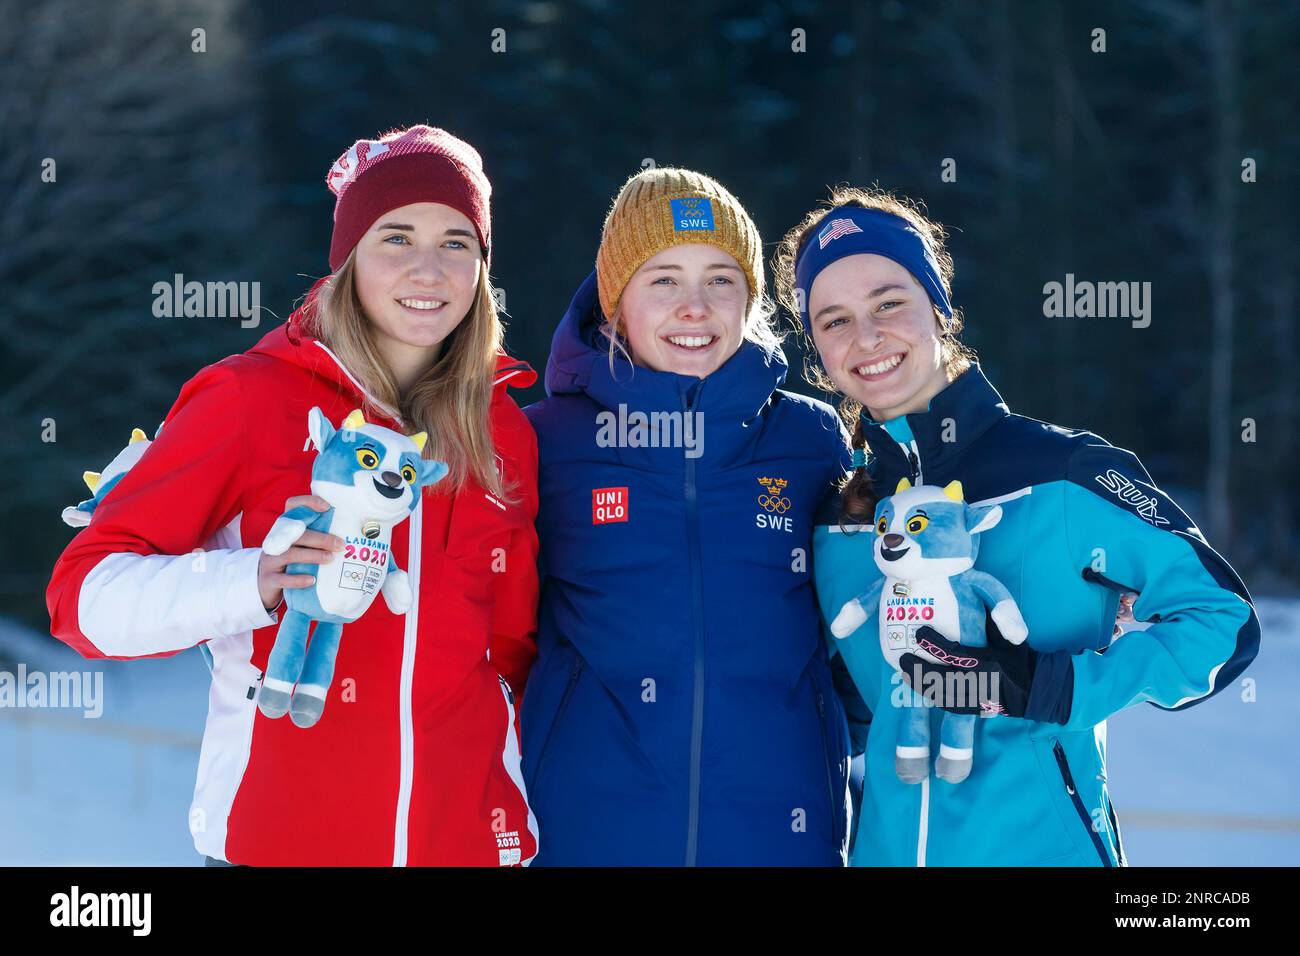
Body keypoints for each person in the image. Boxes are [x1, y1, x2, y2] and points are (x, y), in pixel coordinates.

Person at [46, 125, 541, 866]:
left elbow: (515, 657)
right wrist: (250, 581)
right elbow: (83, 601)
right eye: (396, 237)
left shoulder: (503, 429)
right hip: (279, 844)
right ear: (347, 260)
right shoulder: (250, 397)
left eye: (457, 242)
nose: (429, 269)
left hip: (468, 845)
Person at [775, 186, 1261, 866]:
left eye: (890, 302)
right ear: (816, 348)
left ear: (938, 306)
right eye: (834, 320)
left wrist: (1059, 687)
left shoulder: (1063, 472)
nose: (866, 337)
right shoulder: (839, 518)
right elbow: (849, 709)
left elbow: (1221, 620)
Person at [520, 168, 853, 865]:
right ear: (615, 303)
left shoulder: (812, 439)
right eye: (663, 279)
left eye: (721, 280)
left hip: (778, 829)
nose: (694, 307)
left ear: (752, 301)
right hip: (589, 830)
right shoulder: (545, 440)